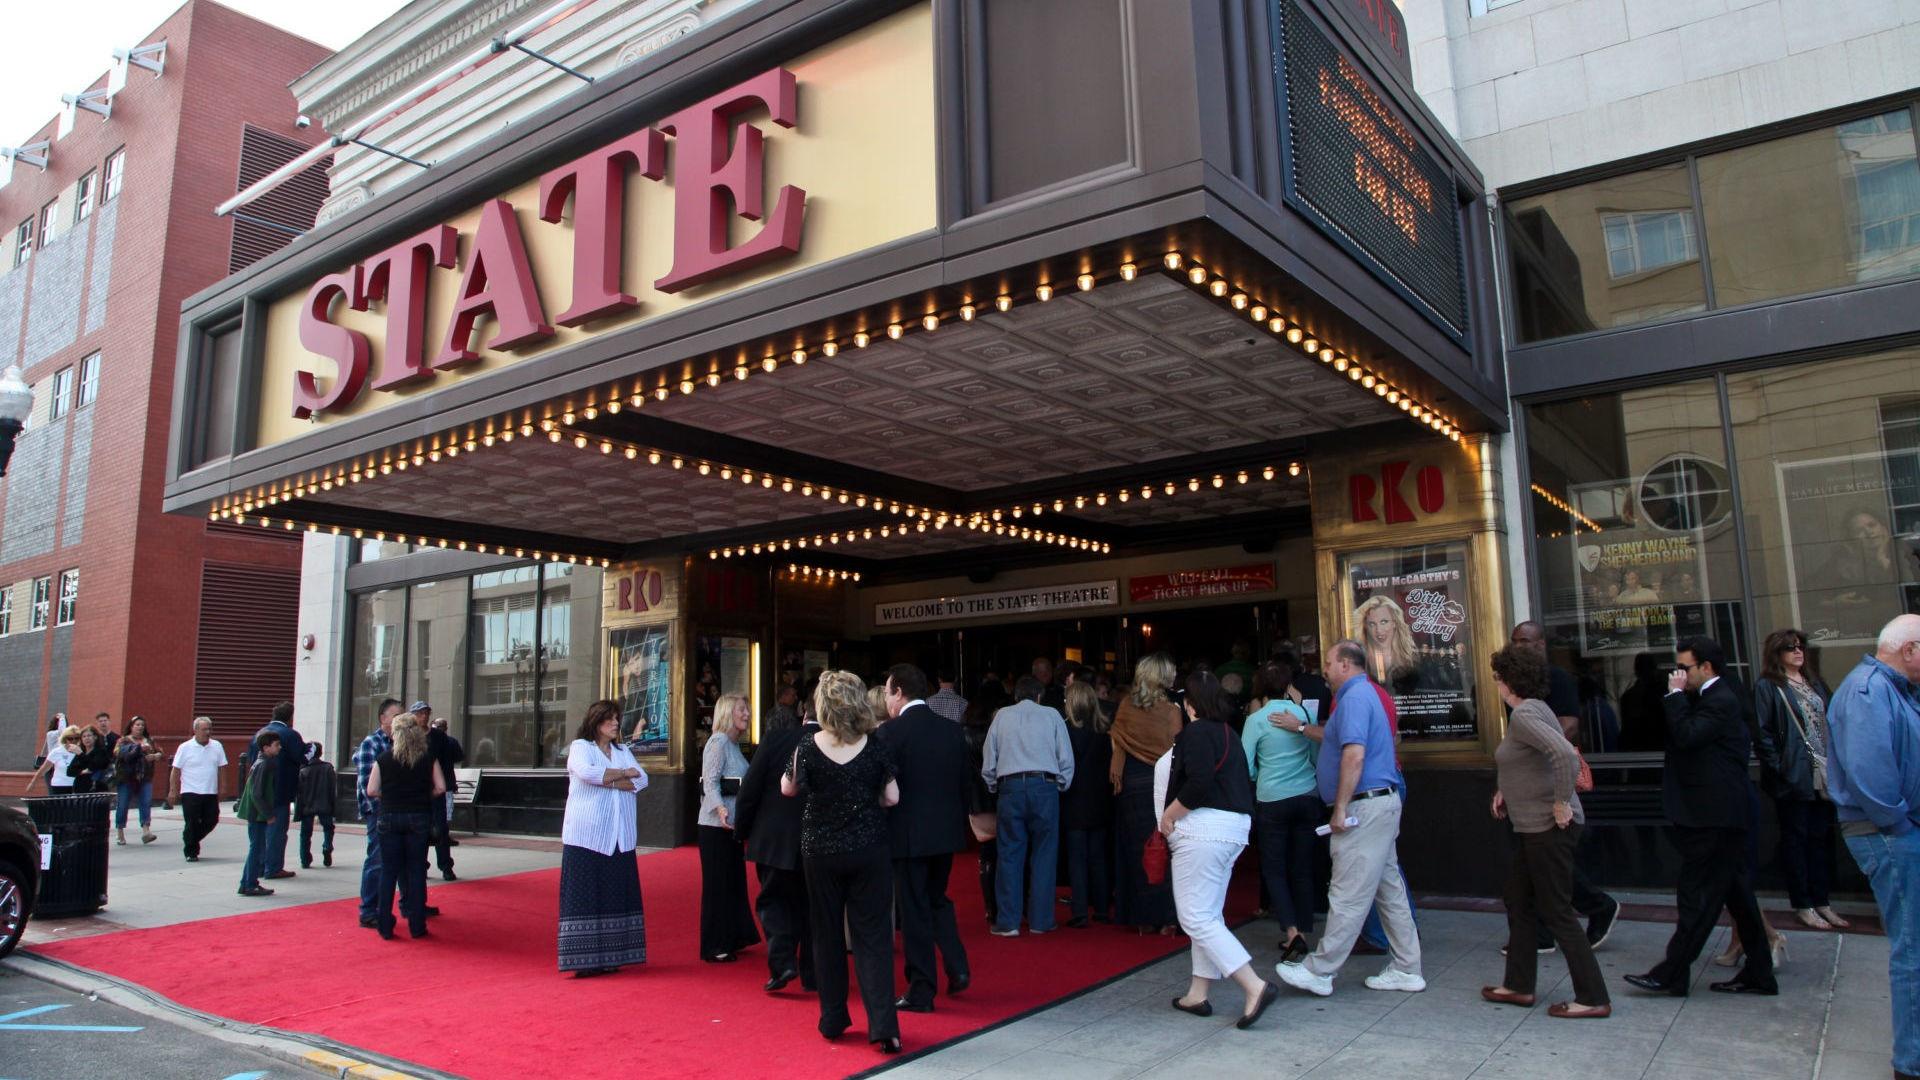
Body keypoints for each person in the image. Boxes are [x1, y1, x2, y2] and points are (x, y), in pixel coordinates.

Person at [1624, 636, 1777, 997]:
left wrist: (1675, 697)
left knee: (1699, 898)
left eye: (1685, 668)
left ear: (1706, 667)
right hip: (1716, 813)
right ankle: (1760, 973)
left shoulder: (1721, 698)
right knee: (1738, 896)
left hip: (1715, 816)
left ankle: (1671, 972)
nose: (1679, 675)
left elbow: (1689, 735)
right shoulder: (1711, 696)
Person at [1273, 639, 1424, 997]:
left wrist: (1340, 808)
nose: (1323, 670)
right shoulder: (1365, 694)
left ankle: (1320, 970)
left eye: (1327, 663)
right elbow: (1335, 737)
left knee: (1347, 892)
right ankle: (1407, 966)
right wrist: (1299, 728)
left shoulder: (1354, 698)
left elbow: (1353, 754)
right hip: (1378, 804)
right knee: (1389, 892)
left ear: (1345, 664)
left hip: (1363, 806)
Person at [1483, 644, 1610, 1018]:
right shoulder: (1535, 710)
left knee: (1556, 911)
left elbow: (1565, 755)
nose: (1496, 684)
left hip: (1547, 827)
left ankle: (1592, 997)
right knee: (1519, 899)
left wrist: (1560, 803)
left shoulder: (1525, 715)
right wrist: (1507, 789)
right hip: (1533, 826)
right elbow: (1535, 758)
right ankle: (1518, 985)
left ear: (1508, 681)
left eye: (1497, 677)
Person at [781, 671, 902, 1055]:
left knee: (826, 933)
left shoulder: (808, 745)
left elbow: (788, 787)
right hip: (869, 849)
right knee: (873, 938)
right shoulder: (875, 746)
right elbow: (893, 798)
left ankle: (833, 1017)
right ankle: (884, 1027)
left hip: (820, 851)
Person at [1826, 614, 1920, 1080]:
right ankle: (1912, 1060)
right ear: (1909, 650)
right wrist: (1899, 824)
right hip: (1888, 833)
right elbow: (1870, 773)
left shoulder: (1891, 691)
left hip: (1894, 830)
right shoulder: (1867, 691)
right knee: (1913, 950)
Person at [1163, 672, 1278, 1028]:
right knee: (1208, 915)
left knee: (1195, 917)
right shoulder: (1228, 733)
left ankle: (1253, 984)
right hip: (1233, 829)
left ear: (1189, 704)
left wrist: (1169, 816)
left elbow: (1198, 783)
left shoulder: (1195, 733)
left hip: (1204, 830)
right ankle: (1198, 994)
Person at [1509, 621, 1620, 952]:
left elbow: (1568, 729)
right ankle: (1541, 934)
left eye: (1526, 642)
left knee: (1545, 858)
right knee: (1533, 860)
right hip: (1526, 781)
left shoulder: (1556, 679)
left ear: (1541, 644)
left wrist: (1535, 746)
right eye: (1515, 642)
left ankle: (1597, 907)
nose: (1520, 647)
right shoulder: (1518, 685)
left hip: (1549, 780)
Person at [878, 664, 972, 1012]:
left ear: (899, 692)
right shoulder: (951, 731)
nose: (887, 699)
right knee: (936, 899)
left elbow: (883, 787)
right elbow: (964, 784)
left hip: (907, 834)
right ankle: (957, 965)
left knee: (915, 908)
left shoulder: (891, 733)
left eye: (888, 692)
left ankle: (921, 988)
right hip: (945, 832)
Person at [1753, 627, 1846, 930]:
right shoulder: (1769, 686)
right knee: (1796, 840)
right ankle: (1803, 903)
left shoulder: (1814, 682)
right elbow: (1763, 732)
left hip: (1822, 770)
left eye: (1800, 647)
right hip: (1794, 775)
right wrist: (1781, 768)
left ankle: (1822, 901)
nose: (1798, 652)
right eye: (1790, 647)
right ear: (1777, 652)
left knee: (1820, 839)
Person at [559, 700, 649, 977]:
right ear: (595, 722)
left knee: (615, 897)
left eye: (616, 719)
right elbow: (588, 773)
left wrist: (611, 778)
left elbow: (642, 780)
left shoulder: (623, 750)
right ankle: (584, 962)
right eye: (609, 719)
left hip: (619, 836)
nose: (615, 723)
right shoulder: (580, 748)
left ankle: (612, 956)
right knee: (587, 898)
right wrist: (622, 775)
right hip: (587, 835)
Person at [981, 674, 1074, 936]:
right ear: (1039, 695)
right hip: (1044, 785)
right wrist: (1061, 784)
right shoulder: (1052, 715)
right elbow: (1065, 757)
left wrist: (992, 784)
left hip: (1010, 787)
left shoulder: (1001, 716)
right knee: (1045, 854)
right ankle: (1041, 921)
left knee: (1009, 854)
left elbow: (990, 759)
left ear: (1016, 695)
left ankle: (1008, 921)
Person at [734, 691, 813, 993]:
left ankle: (783, 963)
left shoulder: (776, 741)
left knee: (773, 901)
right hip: (815, 838)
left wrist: (742, 831)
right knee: (810, 906)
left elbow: (750, 790)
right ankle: (813, 972)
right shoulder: (836, 741)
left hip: (774, 837)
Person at [1243, 662, 1319, 962]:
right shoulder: (1303, 715)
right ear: (1288, 685)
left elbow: (1246, 764)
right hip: (1306, 794)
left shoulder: (1257, 720)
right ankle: (1305, 928)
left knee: (1274, 868)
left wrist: (1263, 773)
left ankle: (1291, 932)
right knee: (1302, 867)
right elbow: (1314, 752)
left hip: (1272, 798)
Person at [1109, 652, 1184, 934]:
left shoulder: (1126, 705)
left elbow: (1117, 744)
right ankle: (1166, 917)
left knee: (1135, 850)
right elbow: (1175, 752)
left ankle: (1141, 917)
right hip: (1161, 783)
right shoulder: (1172, 710)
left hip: (1130, 782)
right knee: (1164, 848)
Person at [365, 715, 445, 939]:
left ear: (395, 734)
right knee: (416, 870)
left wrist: (389, 795)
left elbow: (371, 790)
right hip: (418, 816)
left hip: (389, 815)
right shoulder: (428, 758)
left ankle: (384, 925)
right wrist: (422, 795)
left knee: (388, 871)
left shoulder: (384, 758)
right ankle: (417, 925)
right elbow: (440, 787)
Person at [697, 693, 759, 962]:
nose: (747, 714)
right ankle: (715, 944)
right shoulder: (718, 742)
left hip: (731, 826)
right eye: (741, 710)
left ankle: (733, 936)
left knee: (733, 882)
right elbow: (708, 782)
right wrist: (721, 808)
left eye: (747, 710)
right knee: (718, 884)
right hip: (714, 826)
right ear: (727, 713)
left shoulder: (734, 744)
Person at [1062, 680, 1114, 928]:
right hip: (1100, 800)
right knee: (1098, 857)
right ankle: (1102, 908)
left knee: (1077, 858)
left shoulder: (1065, 731)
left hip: (1073, 800)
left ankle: (1080, 909)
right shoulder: (1105, 732)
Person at [961, 679, 1008, 924]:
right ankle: (1011, 902)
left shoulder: (966, 726)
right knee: (1011, 849)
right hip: (1002, 791)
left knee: (987, 853)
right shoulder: (1000, 724)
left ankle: (991, 907)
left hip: (977, 796)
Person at [355, 700, 405, 929]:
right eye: (394, 715)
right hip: (380, 811)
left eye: (401, 715)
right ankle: (368, 909)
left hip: (400, 810)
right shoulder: (371, 744)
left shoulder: (402, 744)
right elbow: (369, 785)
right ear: (382, 718)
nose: (398, 720)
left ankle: (408, 904)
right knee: (377, 860)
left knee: (404, 860)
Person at [249, 702, 306, 881]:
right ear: (290, 717)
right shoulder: (289, 735)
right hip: (280, 789)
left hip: (259, 791)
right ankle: (273, 867)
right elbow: (301, 756)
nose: (278, 748)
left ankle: (258, 867)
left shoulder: (259, 734)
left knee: (258, 835)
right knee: (276, 831)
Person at [169, 718, 227, 861]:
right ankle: (191, 852)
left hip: (210, 791)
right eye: (204, 729)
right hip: (190, 791)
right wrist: (173, 790)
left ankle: (190, 838)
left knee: (212, 819)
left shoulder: (217, 746)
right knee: (192, 821)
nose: (207, 732)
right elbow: (175, 770)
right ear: (195, 730)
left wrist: (224, 787)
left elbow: (222, 767)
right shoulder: (185, 747)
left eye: (209, 729)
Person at [236, 731, 282, 898]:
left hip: (254, 812)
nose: (279, 748)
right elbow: (257, 793)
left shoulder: (260, 762)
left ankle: (247, 883)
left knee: (256, 847)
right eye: (276, 745)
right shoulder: (265, 764)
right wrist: (268, 814)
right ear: (266, 747)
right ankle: (250, 883)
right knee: (257, 848)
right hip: (257, 814)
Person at [112, 716, 162, 845]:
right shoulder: (123, 741)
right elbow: (118, 753)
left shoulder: (149, 741)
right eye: (137, 725)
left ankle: (146, 830)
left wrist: (155, 756)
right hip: (127, 777)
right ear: (131, 726)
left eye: (142, 725)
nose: (140, 727)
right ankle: (120, 831)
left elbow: (161, 752)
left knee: (145, 802)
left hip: (145, 777)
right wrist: (137, 749)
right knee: (123, 804)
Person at [427, 713, 465, 876]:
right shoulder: (447, 741)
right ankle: (443, 866)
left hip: (440, 788)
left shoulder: (441, 740)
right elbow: (458, 757)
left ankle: (443, 866)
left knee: (440, 826)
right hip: (438, 787)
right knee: (439, 825)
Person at [297, 743, 337, 869]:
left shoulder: (303, 770)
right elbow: (332, 789)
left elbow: (299, 792)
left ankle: (305, 859)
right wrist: (333, 806)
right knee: (328, 828)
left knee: (305, 834)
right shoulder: (328, 768)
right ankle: (327, 846)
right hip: (325, 804)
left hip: (307, 806)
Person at [27, 726, 82, 796]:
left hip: (76, 785)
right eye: (70, 739)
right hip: (59, 785)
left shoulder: (81, 751)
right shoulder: (57, 752)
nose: (74, 741)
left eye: (76, 738)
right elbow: (44, 768)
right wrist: (33, 783)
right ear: (65, 739)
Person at [66, 725, 112, 793]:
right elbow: (69, 771)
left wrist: (81, 755)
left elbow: (93, 766)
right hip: (79, 788)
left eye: (89, 736)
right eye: (84, 736)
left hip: (96, 789)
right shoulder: (81, 752)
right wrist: (82, 771)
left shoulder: (101, 751)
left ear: (95, 737)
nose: (86, 738)